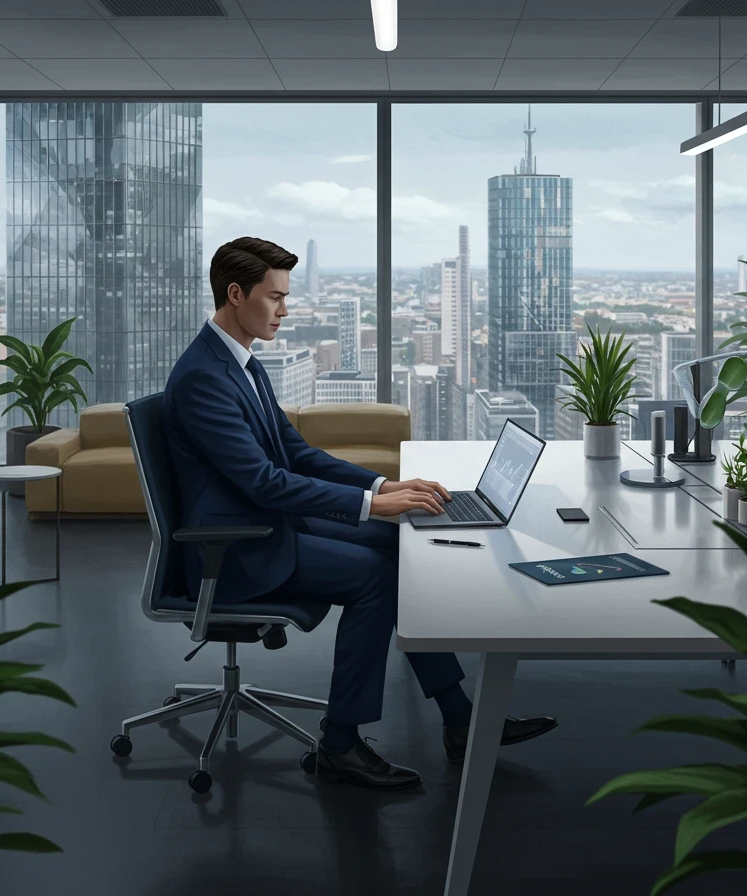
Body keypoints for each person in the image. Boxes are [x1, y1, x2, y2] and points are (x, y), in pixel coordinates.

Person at [162, 237, 556, 790]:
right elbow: (262, 481)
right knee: (375, 577)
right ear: (235, 294)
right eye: (274, 297)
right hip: (238, 548)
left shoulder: (241, 364)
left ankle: (462, 720)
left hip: (269, 523)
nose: (285, 309)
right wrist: (373, 504)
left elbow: (294, 452)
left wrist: (383, 484)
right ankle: (340, 745)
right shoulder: (206, 376)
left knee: (399, 546)